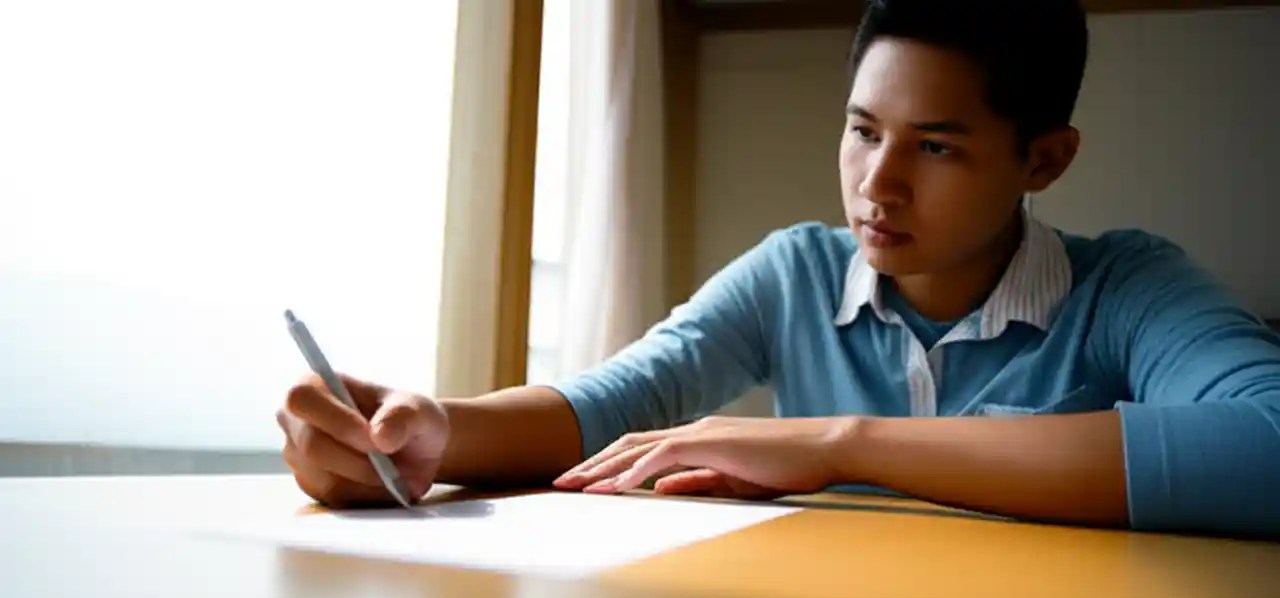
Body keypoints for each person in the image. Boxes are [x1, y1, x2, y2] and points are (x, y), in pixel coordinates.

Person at [275, 0, 1280, 537]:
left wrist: (840, 444)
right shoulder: (794, 274)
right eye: (859, 130)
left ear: (1042, 159)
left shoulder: (1126, 290)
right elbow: (615, 402)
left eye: (933, 147)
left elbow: (1265, 444)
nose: (874, 186)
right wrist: (433, 433)